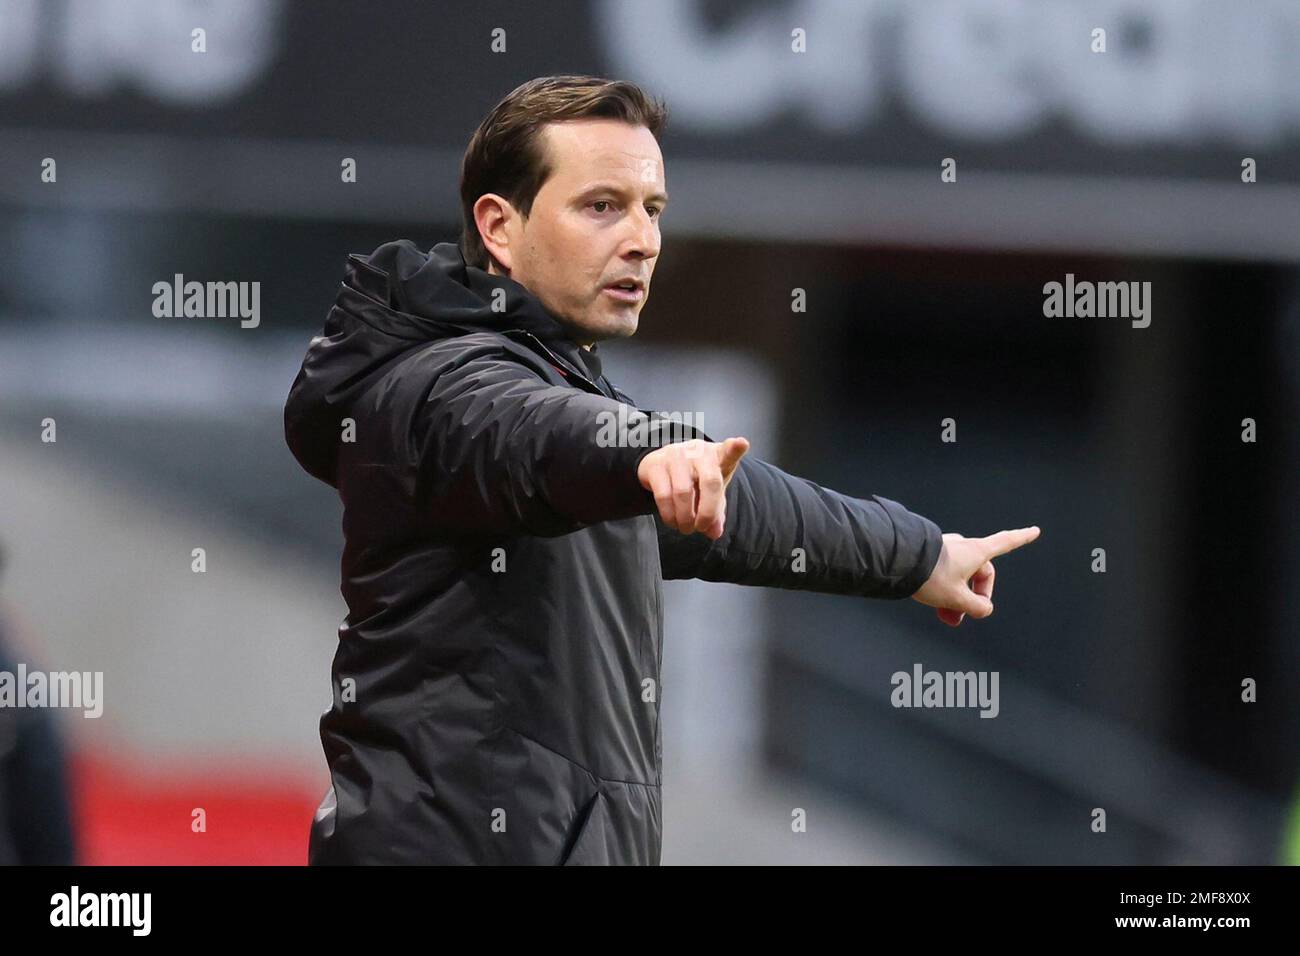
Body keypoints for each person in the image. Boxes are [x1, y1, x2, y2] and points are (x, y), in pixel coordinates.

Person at [283, 75, 1040, 865]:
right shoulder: (436, 387)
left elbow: (743, 512)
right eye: (602, 206)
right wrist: (642, 452)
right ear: (499, 228)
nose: (642, 239)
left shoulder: (564, 388)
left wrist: (919, 555)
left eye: (653, 209)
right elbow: (531, 435)